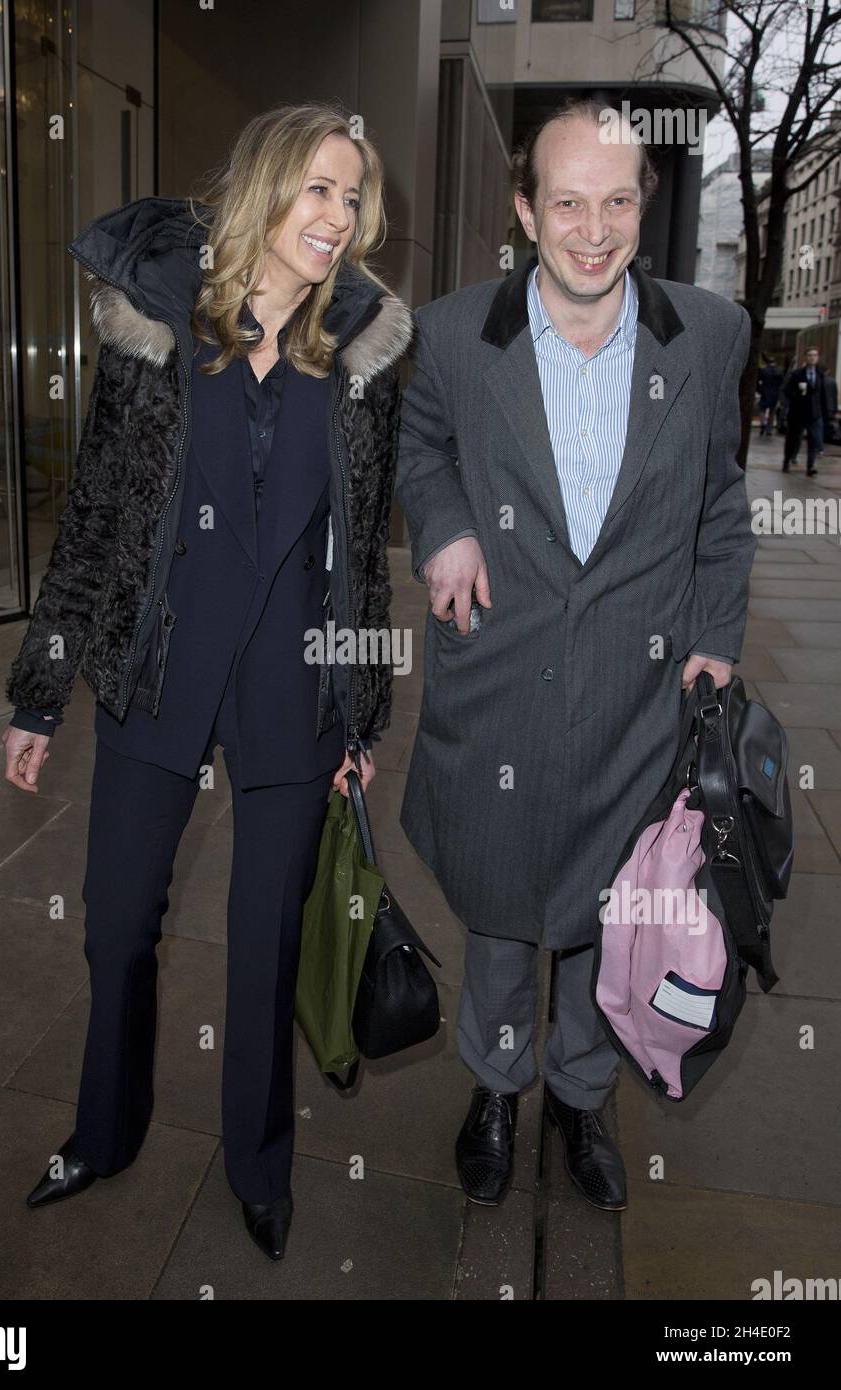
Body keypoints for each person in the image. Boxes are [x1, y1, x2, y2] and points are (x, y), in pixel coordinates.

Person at [2, 103, 411, 1260]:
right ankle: (104, 1129)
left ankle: (259, 1166)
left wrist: (361, 710)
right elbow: (93, 515)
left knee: (267, 936)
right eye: (321, 189)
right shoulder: (159, 326)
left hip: (292, 681)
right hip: (160, 662)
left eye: (353, 198)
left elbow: (363, 559)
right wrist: (42, 687)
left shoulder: (359, 352)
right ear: (268, 185)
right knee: (118, 922)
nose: (339, 219)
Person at [395, 97, 755, 1213]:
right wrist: (446, 523)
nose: (592, 230)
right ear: (524, 210)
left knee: (619, 907)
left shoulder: (708, 332)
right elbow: (422, 446)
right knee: (503, 908)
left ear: (640, 202)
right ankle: (498, 1088)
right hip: (499, 680)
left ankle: (584, 1098)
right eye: (566, 203)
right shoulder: (455, 335)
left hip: (639, 692)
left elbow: (724, 507)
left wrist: (713, 641)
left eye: (615, 200)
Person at [782, 346, 829, 476]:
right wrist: (799, 391)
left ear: (817, 358)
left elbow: (823, 395)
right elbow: (787, 391)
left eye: (814, 355)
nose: (812, 357)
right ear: (806, 357)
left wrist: (826, 413)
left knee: (813, 441)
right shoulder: (797, 374)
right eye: (810, 355)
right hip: (798, 413)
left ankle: (810, 466)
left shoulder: (820, 375)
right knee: (793, 440)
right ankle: (786, 462)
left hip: (814, 414)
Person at [756, 355, 783, 437]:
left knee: (761, 410)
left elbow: (757, 381)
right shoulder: (779, 371)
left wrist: (759, 390)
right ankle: (769, 430)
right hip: (775, 394)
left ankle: (763, 422)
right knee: (772, 413)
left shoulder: (764, 371)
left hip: (764, 393)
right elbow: (781, 384)